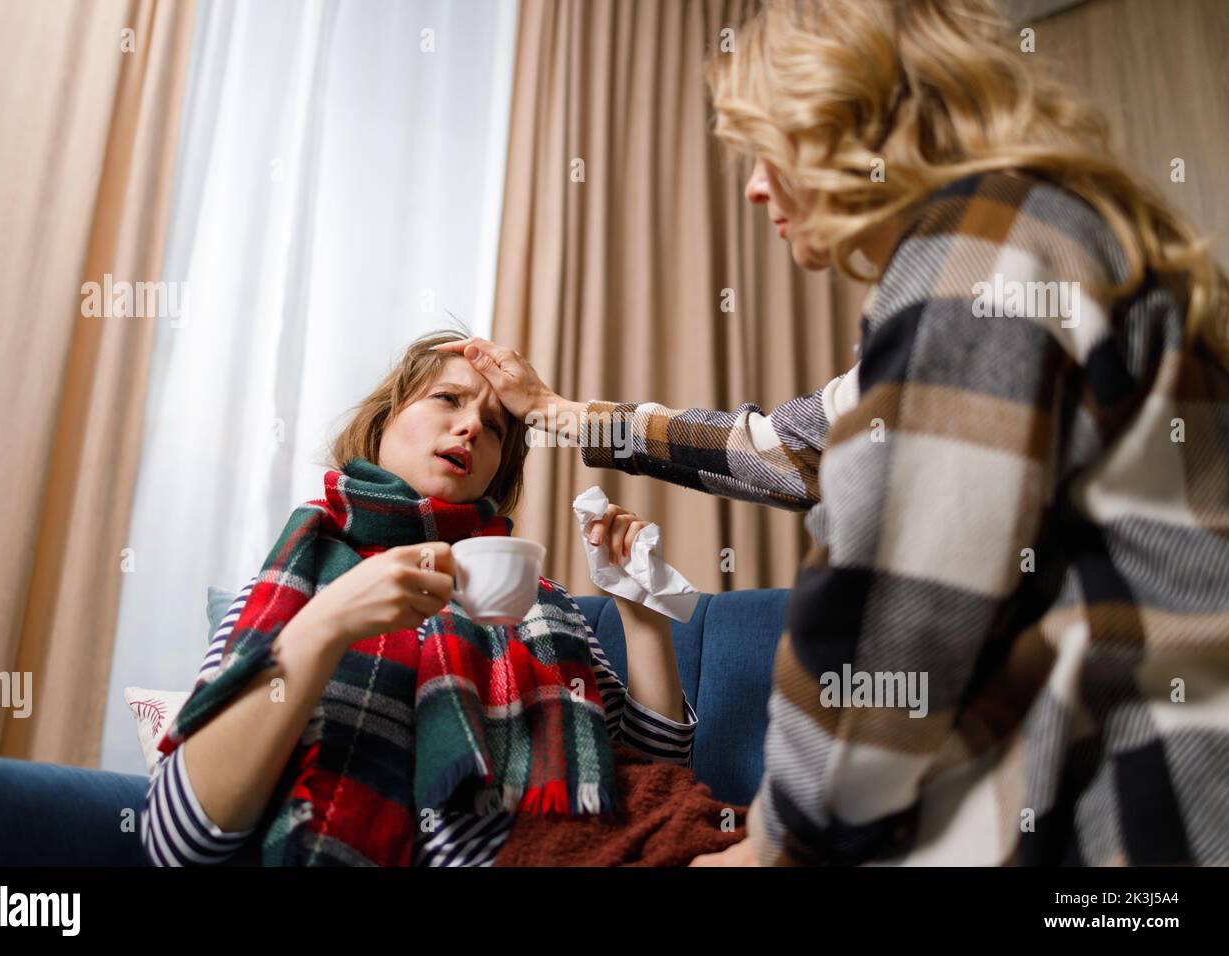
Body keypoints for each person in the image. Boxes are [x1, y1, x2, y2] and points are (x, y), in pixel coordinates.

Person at [437, 0, 1229, 866]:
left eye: (768, 146)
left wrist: (771, 846)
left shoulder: (978, 266)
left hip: (1136, 820)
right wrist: (562, 416)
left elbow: (897, 618)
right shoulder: (1012, 237)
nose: (753, 186)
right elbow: (787, 446)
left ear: (848, 123)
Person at [140, 331, 708, 867]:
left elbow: (653, 779)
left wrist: (643, 617)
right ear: (384, 420)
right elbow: (177, 840)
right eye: (447, 399)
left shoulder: (538, 603)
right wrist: (326, 624)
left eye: (494, 427)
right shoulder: (295, 584)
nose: (470, 429)